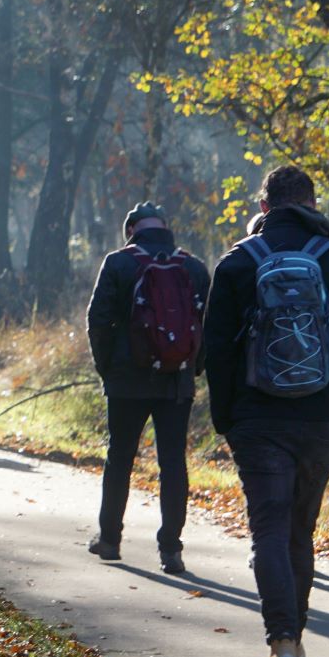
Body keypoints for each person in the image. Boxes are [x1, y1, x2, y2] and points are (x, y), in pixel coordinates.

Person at [204, 165, 329, 657]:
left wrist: (227, 418)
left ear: (265, 204)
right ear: (312, 204)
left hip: (256, 418)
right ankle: (292, 634)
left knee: (269, 531)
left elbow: (216, 350)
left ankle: (285, 642)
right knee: (300, 531)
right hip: (318, 418)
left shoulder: (237, 263)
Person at [84, 203, 210, 575]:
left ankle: (109, 539)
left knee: (120, 456)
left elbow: (97, 320)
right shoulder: (194, 266)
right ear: (167, 228)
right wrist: (194, 368)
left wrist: (106, 367)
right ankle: (171, 549)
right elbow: (208, 323)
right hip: (177, 380)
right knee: (173, 461)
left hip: (127, 379)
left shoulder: (119, 263)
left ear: (131, 231)